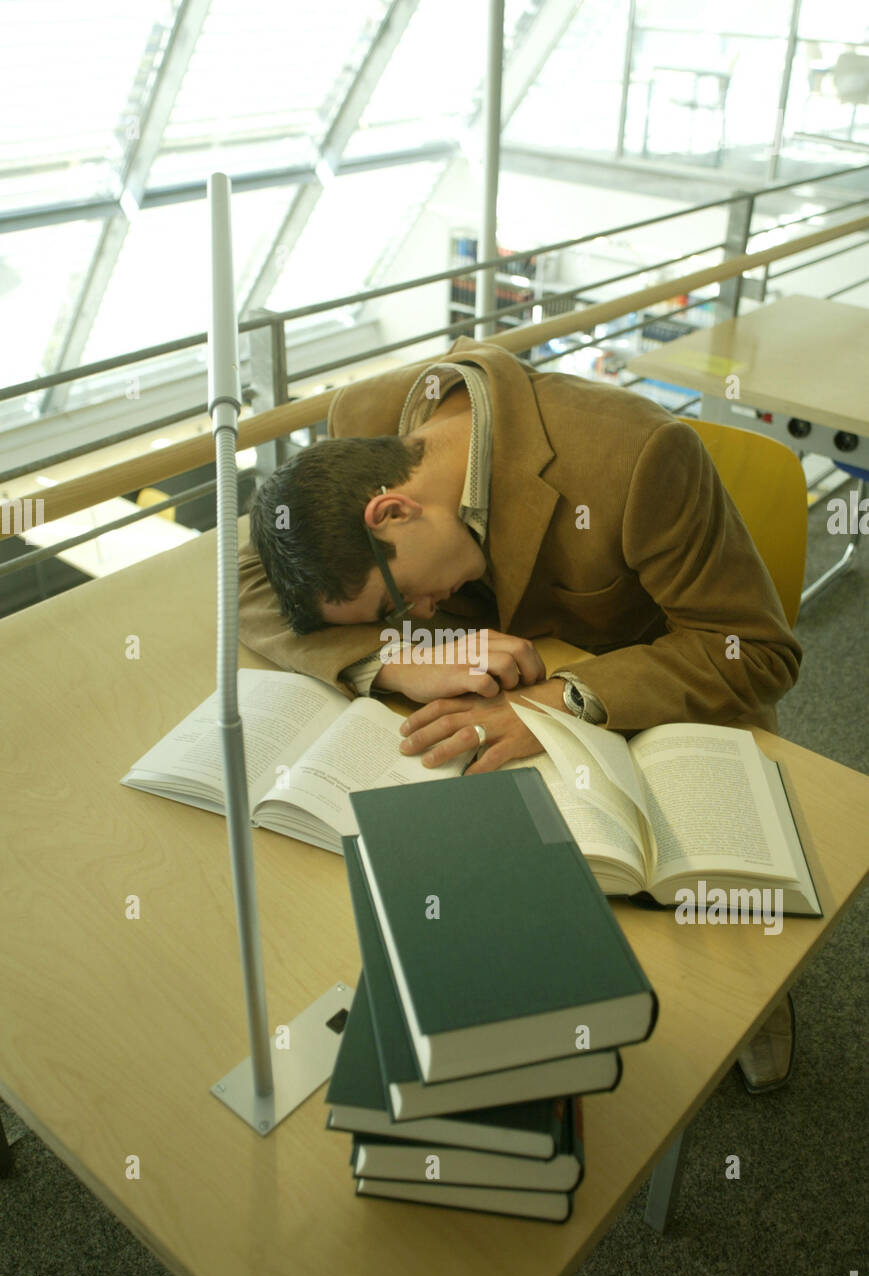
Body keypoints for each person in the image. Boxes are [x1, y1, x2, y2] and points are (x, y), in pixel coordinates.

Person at [238, 333, 802, 1091]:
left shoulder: (639, 455)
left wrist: (556, 703)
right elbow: (244, 572)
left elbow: (753, 650)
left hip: (663, 685)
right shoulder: (363, 417)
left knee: (694, 954)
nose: (413, 613)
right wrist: (398, 655)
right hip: (499, 678)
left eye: (397, 604)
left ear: (393, 511)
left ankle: (757, 988)